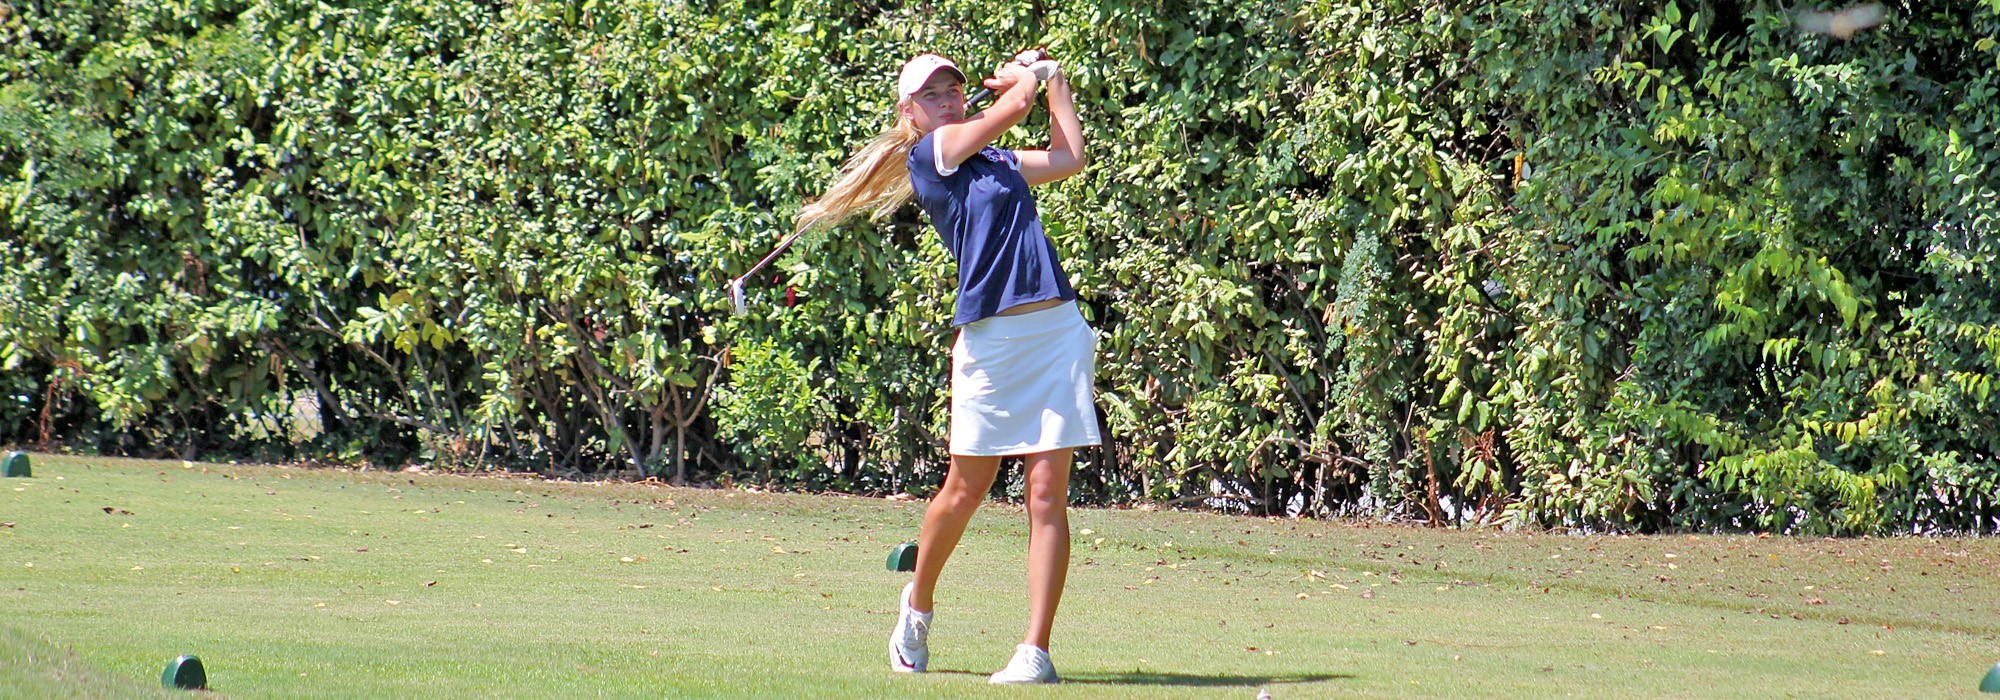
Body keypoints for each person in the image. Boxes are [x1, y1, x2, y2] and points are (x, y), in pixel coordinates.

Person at [793, 50, 1094, 685]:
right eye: (932, 95)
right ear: (911, 112)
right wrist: (1025, 82)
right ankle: (918, 606)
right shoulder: (930, 156)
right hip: (992, 342)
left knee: (1047, 494)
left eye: (953, 90)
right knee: (966, 488)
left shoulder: (996, 160)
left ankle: (1035, 651)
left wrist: (1056, 81)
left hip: (1055, 331)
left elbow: (1069, 158)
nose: (948, 100)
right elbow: (1014, 105)